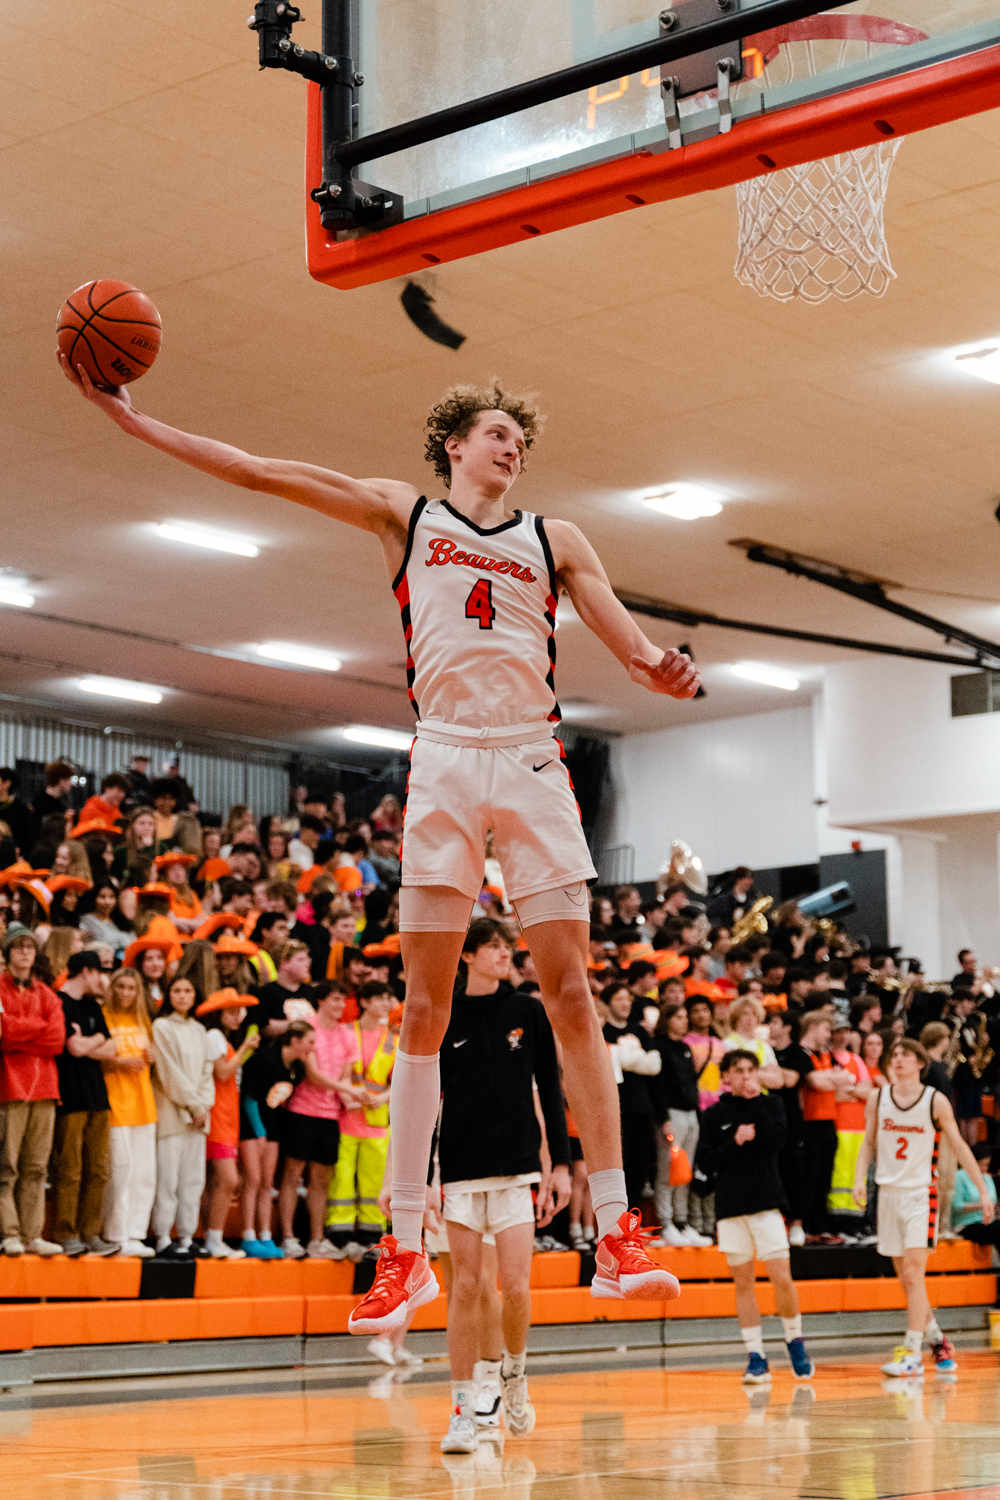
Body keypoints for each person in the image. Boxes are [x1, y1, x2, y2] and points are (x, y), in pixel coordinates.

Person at [61, 366, 699, 1327]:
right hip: (444, 755)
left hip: (530, 756)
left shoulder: (555, 538)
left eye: (518, 437)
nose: (510, 445)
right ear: (454, 445)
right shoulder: (406, 516)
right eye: (493, 431)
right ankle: (404, 1248)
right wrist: (135, 419)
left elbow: (632, 646)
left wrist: (661, 670)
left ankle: (614, 1231)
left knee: (572, 993)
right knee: (423, 1009)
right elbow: (260, 471)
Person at [377, 916, 571, 1453]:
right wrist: (408, 1176)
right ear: (466, 956)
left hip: (517, 1171)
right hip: (459, 1172)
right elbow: (418, 1104)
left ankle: (514, 1374)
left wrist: (561, 1164)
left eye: (507, 946)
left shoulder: (528, 1011)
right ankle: (462, 1408)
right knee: (464, 1287)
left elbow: (550, 1089)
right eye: (491, 947)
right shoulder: (444, 1016)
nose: (503, 954)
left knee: (516, 1285)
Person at [853, 1037, 995, 1377]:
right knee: (907, 1279)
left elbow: (959, 1145)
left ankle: (912, 1353)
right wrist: (860, 1179)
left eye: (906, 1055)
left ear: (920, 1063)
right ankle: (938, 1339)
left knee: (915, 1274)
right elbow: (868, 1141)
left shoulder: (935, 1100)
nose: (898, 1059)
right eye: (895, 1054)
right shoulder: (878, 1098)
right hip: (888, 1194)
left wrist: (983, 1190)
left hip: (921, 1194)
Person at [698, 1050, 815, 1384]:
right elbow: (705, 1163)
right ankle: (756, 1356)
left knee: (782, 1278)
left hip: (766, 1205)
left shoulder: (772, 1105)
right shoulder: (714, 1114)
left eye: (751, 1070)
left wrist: (758, 1106)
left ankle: (795, 1342)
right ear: (726, 1077)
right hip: (731, 1209)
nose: (746, 1076)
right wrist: (735, 1141)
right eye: (739, 1071)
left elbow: (779, 1142)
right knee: (743, 1284)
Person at [276, 981, 360, 1260]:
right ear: (321, 1001)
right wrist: (349, 1090)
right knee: (291, 1174)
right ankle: (288, 1237)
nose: (339, 1005)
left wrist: (351, 1093)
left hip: (330, 1115)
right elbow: (312, 1074)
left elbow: (346, 1075)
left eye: (343, 1000)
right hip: (301, 1109)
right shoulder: (307, 1027)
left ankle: (316, 1239)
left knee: (321, 1179)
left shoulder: (347, 1036)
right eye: (334, 999)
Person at [0, 928, 66, 1256]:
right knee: (7, 1165)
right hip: (9, 1087)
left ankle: (32, 1234)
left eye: (30, 947)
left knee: (36, 1167)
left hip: (44, 1089)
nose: (25, 952)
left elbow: (56, 1040)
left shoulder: (48, 994)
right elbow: (3, 1035)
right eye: (18, 947)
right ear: (7, 953)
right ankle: (9, 1233)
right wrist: (34, 1028)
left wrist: (17, 1031)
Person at [52, 951, 119, 1256]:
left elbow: (112, 1046)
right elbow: (72, 1047)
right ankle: (66, 1233)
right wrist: (94, 1042)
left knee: (98, 1169)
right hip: (70, 1095)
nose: (103, 979)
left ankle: (90, 1232)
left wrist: (87, 1042)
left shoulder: (92, 1004)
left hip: (97, 1095)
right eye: (99, 972)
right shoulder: (58, 1002)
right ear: (87, 971)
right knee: (70, 1168)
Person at [327, 981, 398, 1258]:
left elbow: (400, 1079)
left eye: (387, 998)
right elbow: (334, 1069)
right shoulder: (345, 1032)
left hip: (377, 1119)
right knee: (342, 1177)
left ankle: (372, 1234)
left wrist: (383, 1098)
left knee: (374, 1181)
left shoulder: (394, 1037)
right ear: (365, 1002)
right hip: (345, 1115)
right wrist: (348, 1097)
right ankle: (340, 1232)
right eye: (379, 998)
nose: (385, 1003)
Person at [239, 1019, 317, 1258]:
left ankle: (265, 1235)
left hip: (273, 1128)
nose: (313, 1048)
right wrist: (260, 1132)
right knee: (252, 1180)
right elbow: (250, 1099)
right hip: (251, 1127)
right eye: (309, 1042)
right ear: (294, 1041)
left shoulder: (297, 1068)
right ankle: (247, 1235)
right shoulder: (264, 1059)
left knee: (266, 1183)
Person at [150, 974, 216, 1259]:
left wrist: (201, 1106)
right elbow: (168, 1072)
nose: (182, 995)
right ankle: (164, 1236)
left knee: (193, 1180)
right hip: (172, 1113)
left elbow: (206, 1072)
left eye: (187, 990)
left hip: (198, 1116)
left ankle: (188, 1237)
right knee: (168, 1179)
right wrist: (191, 1106)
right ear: (169, 995)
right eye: (176, 990)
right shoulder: (161, 1026)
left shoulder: (200, 1030)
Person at [195, 987, 260, 1259]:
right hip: (218, 1119)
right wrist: (246, 1047)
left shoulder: (223, 1039)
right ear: (219, 1014)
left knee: (215, 1182)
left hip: (226, 1119)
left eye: (240, 1011)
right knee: (228, 1179)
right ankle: (213, 1238)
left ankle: (211, 1238)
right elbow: (222, 1072)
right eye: (232, 1011)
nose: (239, 1016)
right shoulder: (215, 1036)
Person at [101, 966, 158, 1256]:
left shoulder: (142, 1021)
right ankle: (115, 1233)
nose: (126, 993)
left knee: (144, 1173)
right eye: (121, 987)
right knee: (120, 1171)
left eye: (131, 988)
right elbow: (95, 1059)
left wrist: (152, 1057)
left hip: (144, 1104)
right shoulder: (103, 1017)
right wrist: (120, 1063)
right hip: (115, 1103)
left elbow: (151, 1059)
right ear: (112, 988)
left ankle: (136, 1232)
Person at [601, 980, 662, 1216]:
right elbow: (613, 1064)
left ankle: (633, 1223)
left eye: (628, 998)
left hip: (642, 1108)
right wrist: (636, 1058)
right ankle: (616, 1221)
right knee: (619, 1167)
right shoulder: (603, 1031)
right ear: (607, 1004)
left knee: (639, 1168)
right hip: (617, 1109)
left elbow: (655, 1065)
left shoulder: (639, 1030)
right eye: (619, 999)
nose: (625, 1003)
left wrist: (624, 1057)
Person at [652, 1003, 710, 1246]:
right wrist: (663, 1118)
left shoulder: (686, 1048)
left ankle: (682, 1221)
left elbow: (691, 1085)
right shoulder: (660, 1047)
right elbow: (658, 1086)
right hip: (672, 1114)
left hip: (690, 1114)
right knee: (668, 1169)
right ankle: (665, 1223)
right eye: (678, 1017)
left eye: (685, 1017)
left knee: (684, 1171)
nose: (684, 1021)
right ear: (666, 1020)